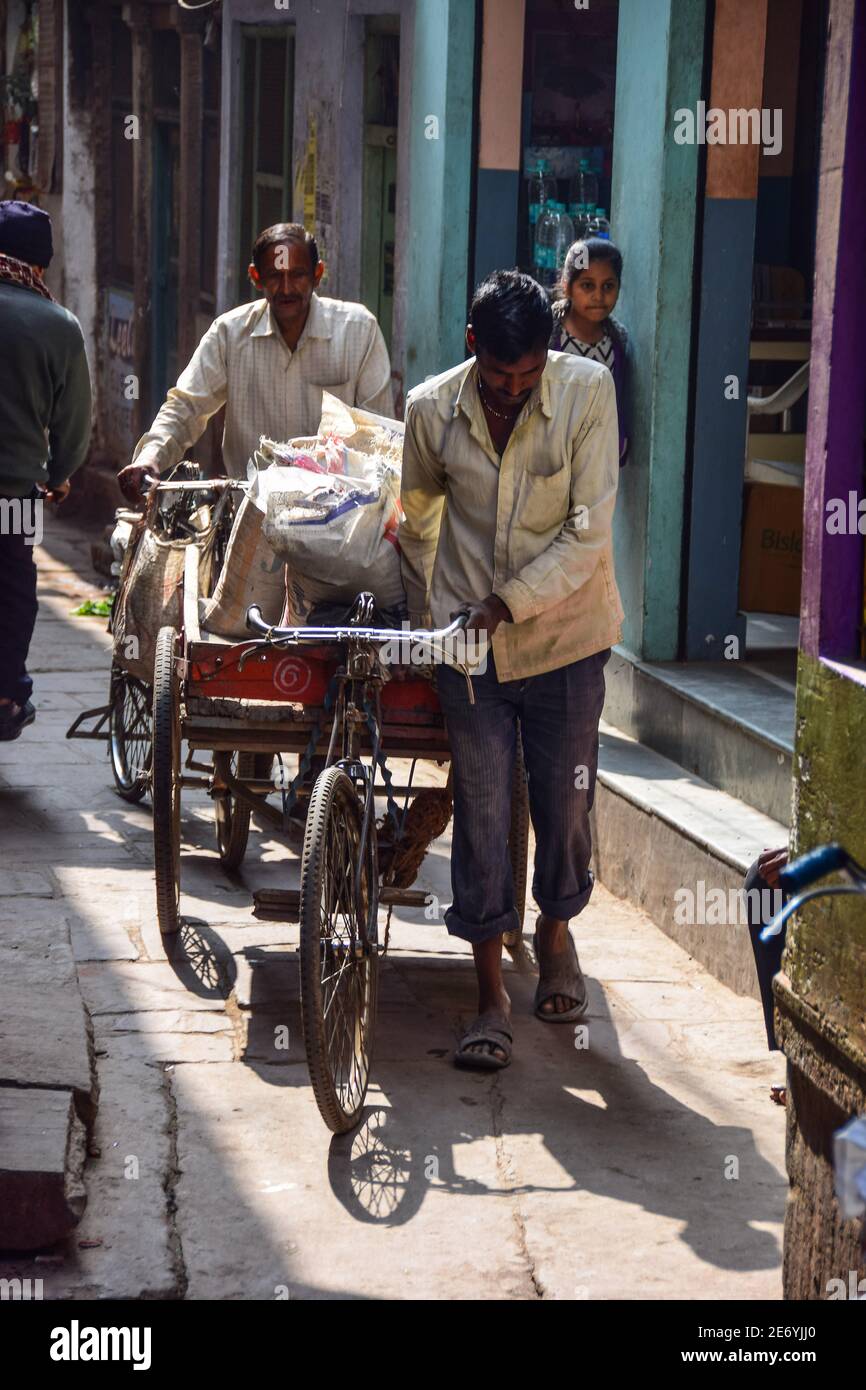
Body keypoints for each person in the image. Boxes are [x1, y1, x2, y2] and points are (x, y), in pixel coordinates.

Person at [399, 270, 624, 1069]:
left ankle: (556, 930)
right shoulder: (430, 409)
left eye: (529, 375)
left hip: (566, 634)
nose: (515, 390)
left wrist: (506, 602)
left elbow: (588, 533)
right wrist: (427, 625)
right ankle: (489, 996)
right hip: (470, 647)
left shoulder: (589, 393)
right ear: (474, 350)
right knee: (484, 806)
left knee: (565, 802)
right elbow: (418, 524)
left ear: (547, 355)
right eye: (500, 378)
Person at [118, 223, 394, 497]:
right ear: (256, 277)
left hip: (336, 516)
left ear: (317, 274)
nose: (286, 288)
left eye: (297, 275)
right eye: (275, 276)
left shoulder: (358, 331)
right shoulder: (230, 334)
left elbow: (379, 434)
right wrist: (151, 458)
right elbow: (186, 406)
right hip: (249, 513)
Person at [0, 201, 92, 741]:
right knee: (14, 585)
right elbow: (74, 422)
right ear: (39, 265)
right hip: (15, 495)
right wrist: (59, 475)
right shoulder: (58, 325)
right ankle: (7, 694)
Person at [550, 237, 630, 463]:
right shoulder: (550, 336)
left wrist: (620, 445)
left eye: (608, 286)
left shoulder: (617, 341)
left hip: (598, 459)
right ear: (567, 285)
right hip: (553, 457)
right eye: (587, 285)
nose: (598, 296)